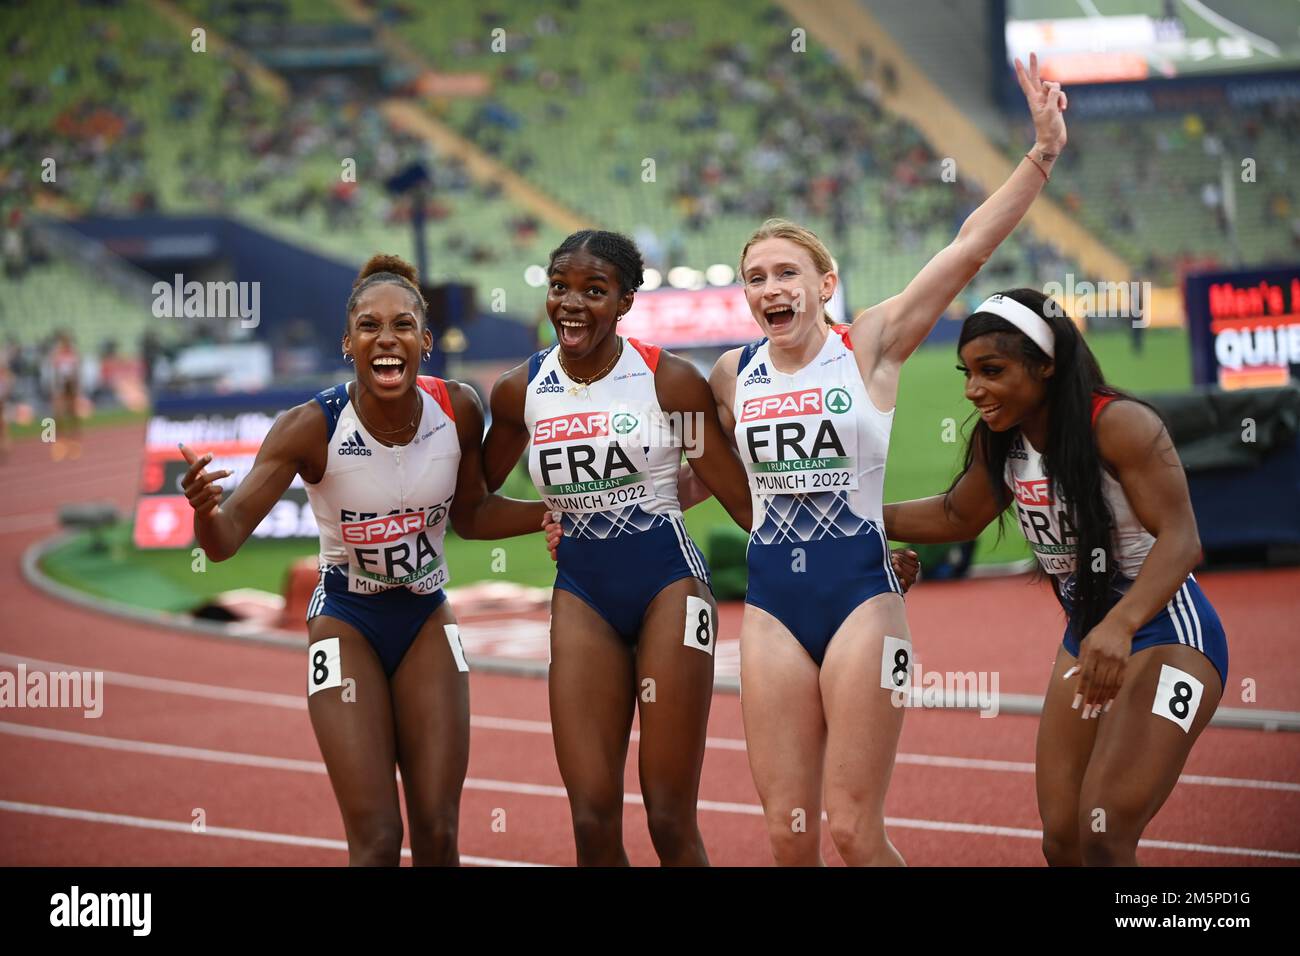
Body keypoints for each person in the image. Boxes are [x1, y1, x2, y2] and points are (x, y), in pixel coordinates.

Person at [683, 53, 1068, 865]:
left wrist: (1040, 155)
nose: (769, 288)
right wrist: (605, 511)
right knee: (788, 837)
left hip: (862, 598)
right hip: (770, 609)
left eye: (786, 273)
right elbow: (701, 477)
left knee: (854, 832)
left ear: (826, 284)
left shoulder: (872, 346)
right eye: (755, 278)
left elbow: (966, 251)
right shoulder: (731, 374)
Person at [181, 254, 554, 866]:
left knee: (437, 835)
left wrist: (550, 510)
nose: (387, 339)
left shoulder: (458, 409)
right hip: (346, 620)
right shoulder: (308, 428)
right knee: (378, 841)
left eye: (403, 326)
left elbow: (471, 513)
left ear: (425, 341)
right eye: (370, 327)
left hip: (428, 616)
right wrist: (203, 509)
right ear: (348, 342)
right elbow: (222, 543)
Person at [883, 288, 1227, 867]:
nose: (974, 390)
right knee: (1064, 841)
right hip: (1087, 637)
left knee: (1104, 835)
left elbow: (1183, 540)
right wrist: (855, 520)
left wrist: (1120, 627)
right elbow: (955, 514)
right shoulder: (1004, 439)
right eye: (967, 373)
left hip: (1168, 633)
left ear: (1046, 365)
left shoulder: (1119, 424)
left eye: (992, 371)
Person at [482, 229, 756, 866]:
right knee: (591, 818)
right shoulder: (520, 391)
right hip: (582, 592)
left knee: (667, 817)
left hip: (669, 584)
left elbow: (741, 501)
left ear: (625, 302)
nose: (572, 304)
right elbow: (472, 507)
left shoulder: (669, 382)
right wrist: (542, 515)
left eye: (593, 291)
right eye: (560, 288)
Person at [47, 330, 81, 460]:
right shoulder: (57, 354)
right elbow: (54, 372)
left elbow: (76, 372)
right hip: (61, 388)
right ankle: (60, 443)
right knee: (58, 415)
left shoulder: (73, 354)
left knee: (73, 415)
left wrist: (76, 386)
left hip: (70, 387)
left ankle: (74, 442)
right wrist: (55, 388)